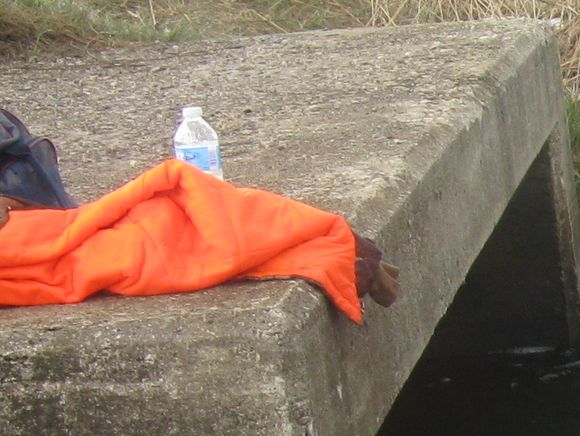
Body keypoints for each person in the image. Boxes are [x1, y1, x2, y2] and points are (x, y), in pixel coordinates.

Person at [0, 108, 398, 316]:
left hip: (40, 225)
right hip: (36, 237)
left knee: (168, 214)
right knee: (154, 234)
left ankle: (313, 235)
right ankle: (315, 237)